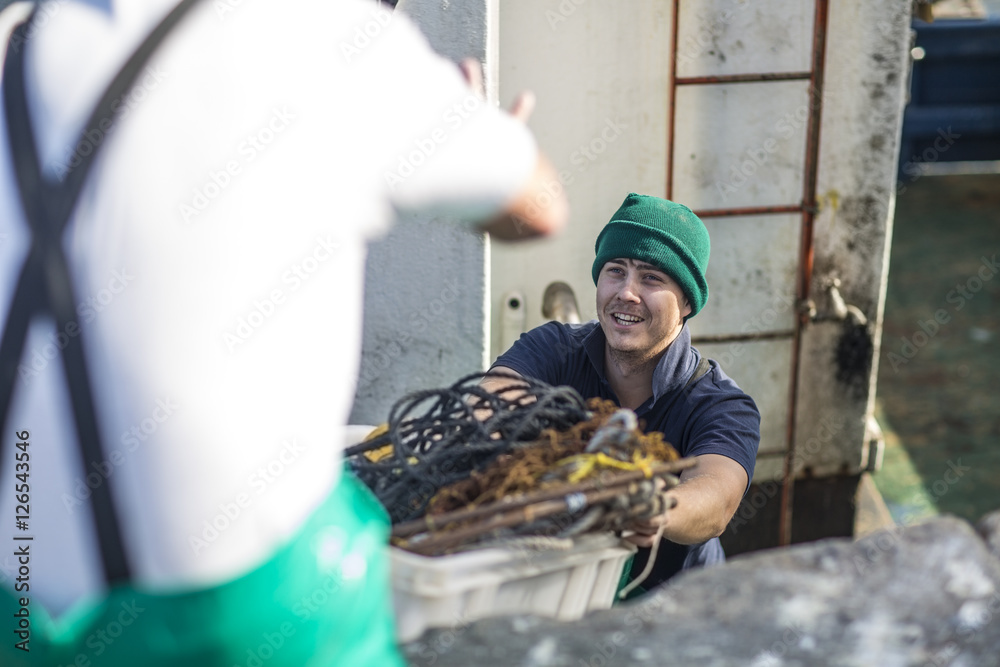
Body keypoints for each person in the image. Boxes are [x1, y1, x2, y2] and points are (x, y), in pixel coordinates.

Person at [0, 0, 566, 664]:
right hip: (247, 622)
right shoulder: (330, 39)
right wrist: (471, 128)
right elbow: (541, 205)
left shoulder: (14, 38)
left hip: (23, 617)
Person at [482, 193, 759, 589]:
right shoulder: (552, 349)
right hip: (559, 591)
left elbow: (717, 498)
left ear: (685, 303)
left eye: (651, 277)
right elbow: (488, 403)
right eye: (616, 271)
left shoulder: (721, 405)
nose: (626, 292)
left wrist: (652, 507)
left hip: (669, 609)